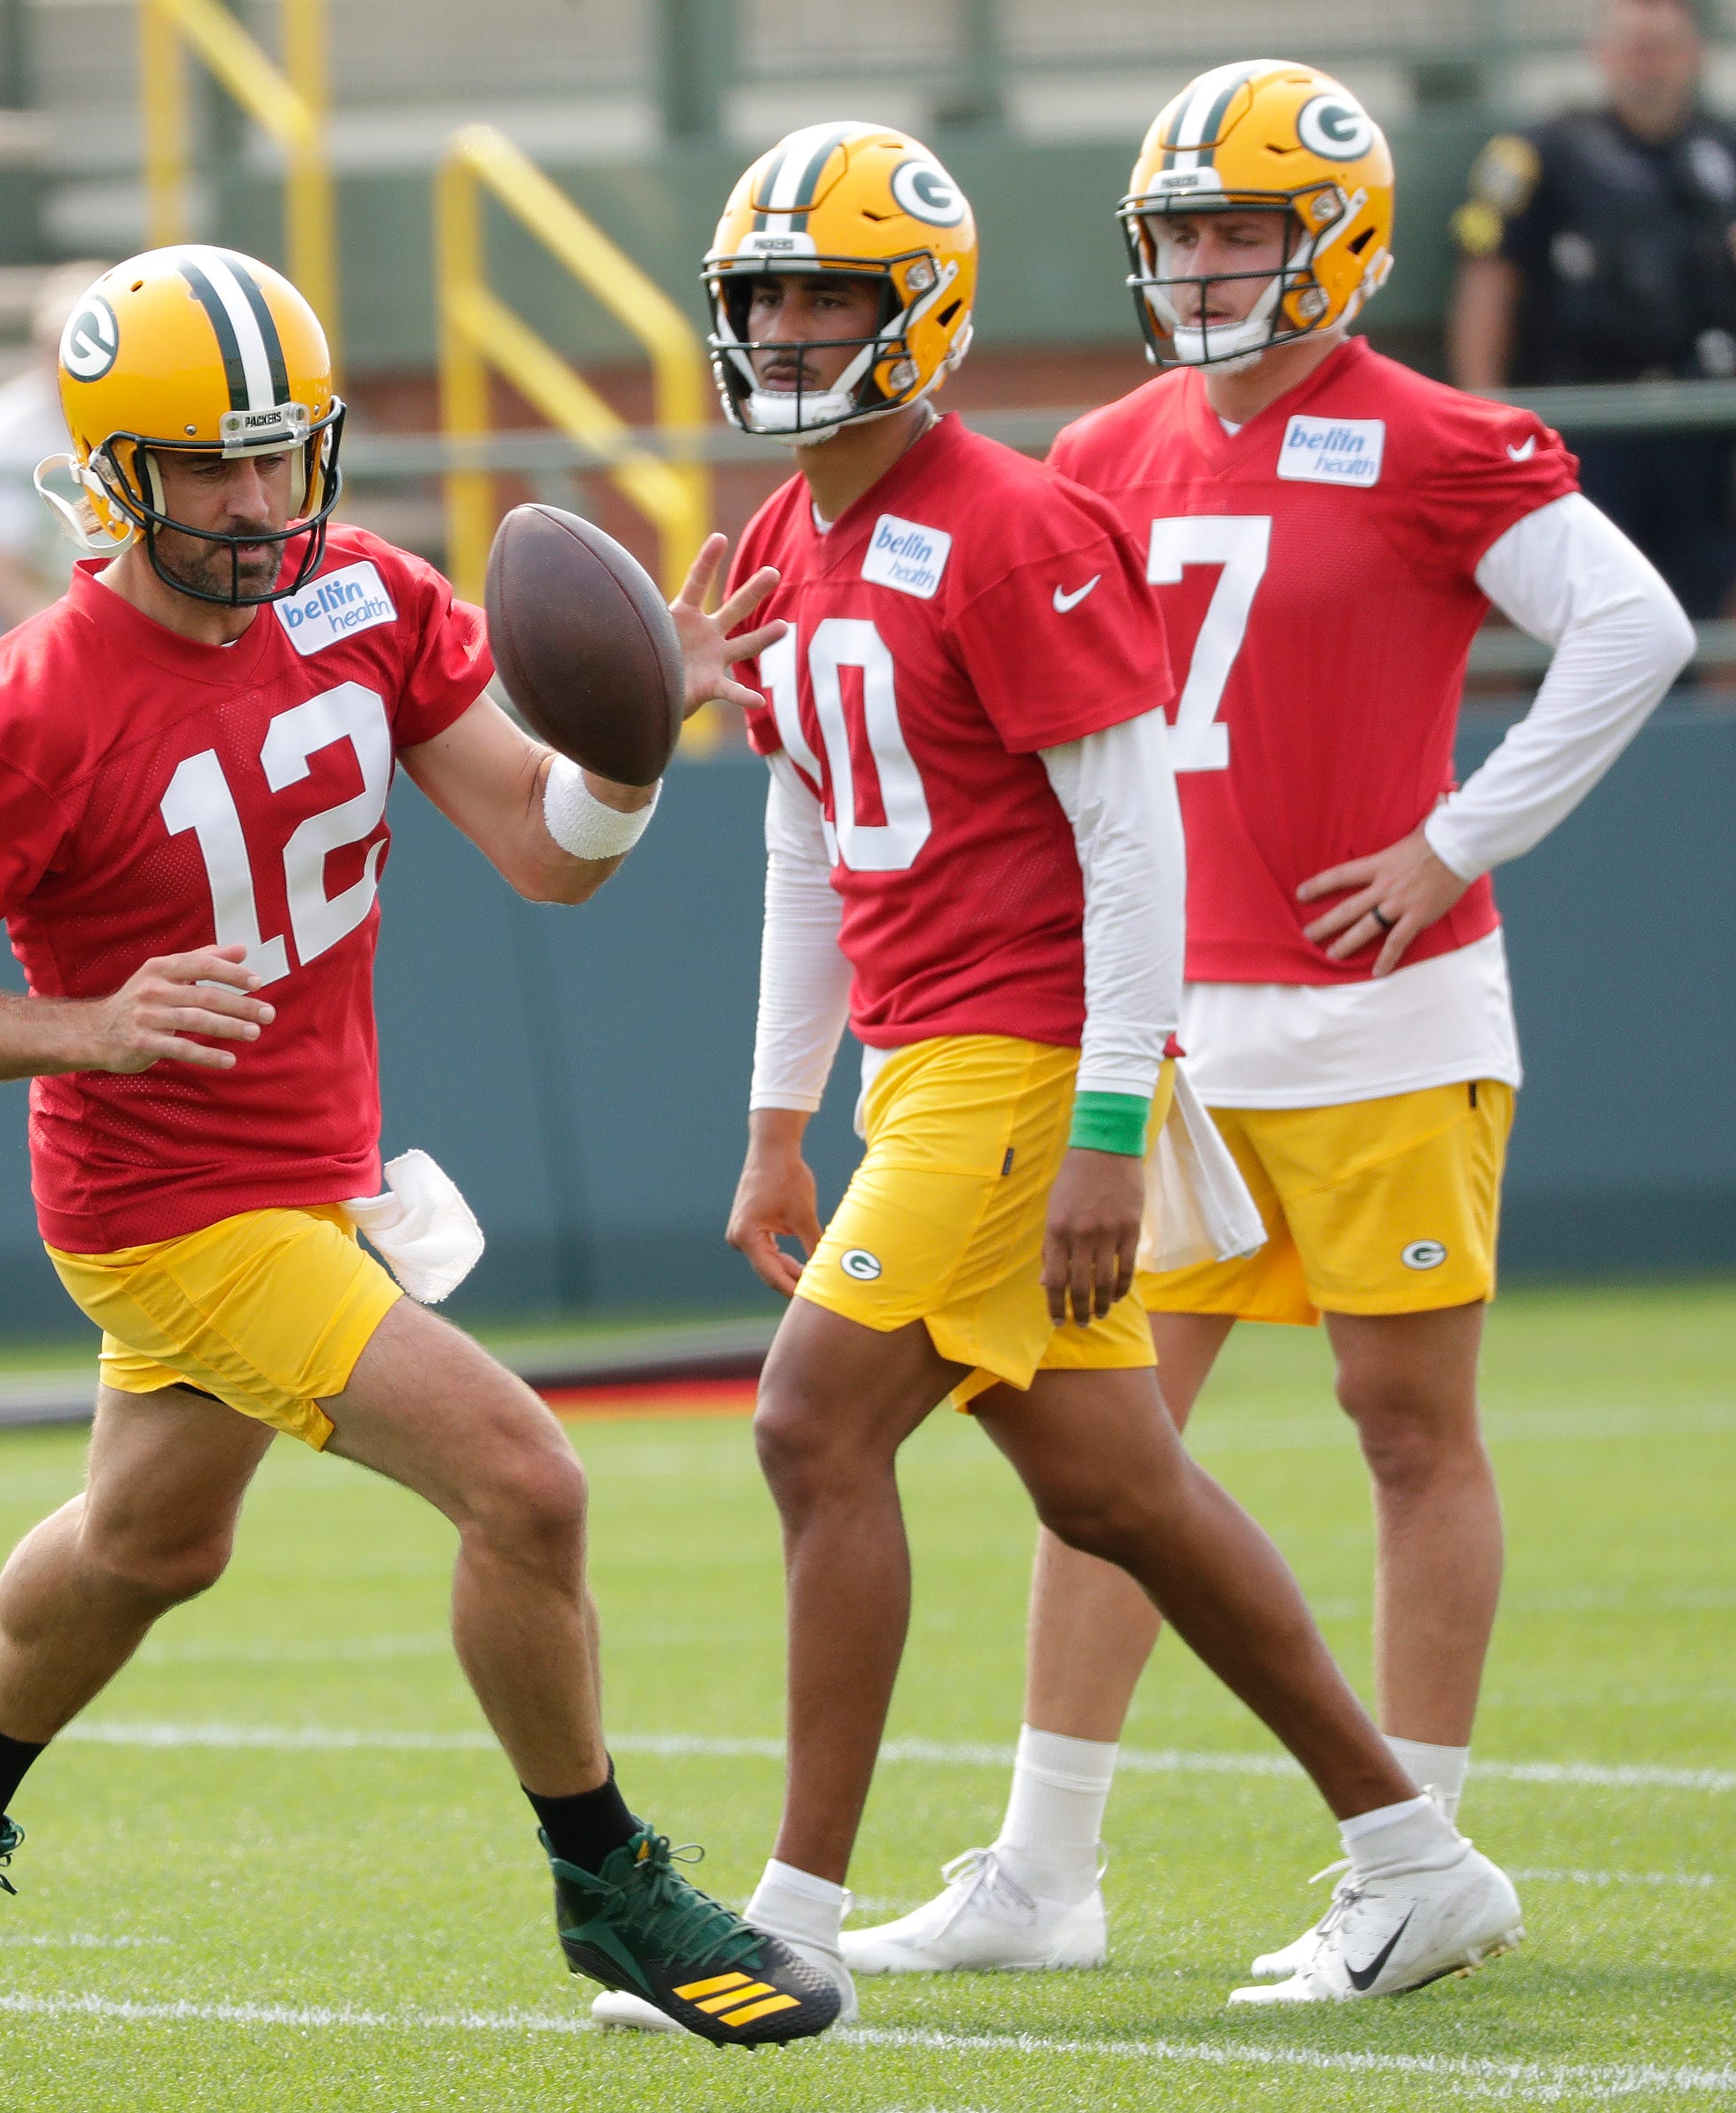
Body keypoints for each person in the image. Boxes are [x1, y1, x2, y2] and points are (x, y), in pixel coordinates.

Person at [0, 241, 841, 2108]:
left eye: (282, 454)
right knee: (526, 1481)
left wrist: (630, 740)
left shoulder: (362, 598)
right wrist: (88, 1022)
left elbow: (550, 859)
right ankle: (607, 1884)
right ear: (116, 472)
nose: (259, 498)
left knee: (148, 1545)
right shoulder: (25, 703)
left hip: (314, 1172)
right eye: (210, 466)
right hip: (163, 1203)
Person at [592, 121, 1526, 2036]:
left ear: (916, 311)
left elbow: (1134, 840)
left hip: (1019, 1062)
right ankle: (1414, 1859)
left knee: (807, 1429)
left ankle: (787, 1924)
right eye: (761, 291)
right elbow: (801, 840)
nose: (782, 326)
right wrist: (776, 1119)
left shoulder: (1008, 520)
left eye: (826, 291)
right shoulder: (788, 533)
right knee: (1125, 1493)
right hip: (922, 1063)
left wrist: (1112, 1117)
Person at [843, 63, 1691, 1990]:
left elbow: (1628, 628)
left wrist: (1450, 839)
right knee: (1102, 1441)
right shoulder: (1108, 451)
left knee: (1405, 1429)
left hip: (1383, 1012)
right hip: (1166, 1028)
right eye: (1184, 238)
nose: (1210, 269)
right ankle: (1044, 1869)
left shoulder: (1437, 438)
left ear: (1340, 240)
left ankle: (1414, 1863)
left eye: (1242, 232)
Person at [1448, 0, 1736, 615]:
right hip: (1581, 417)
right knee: (1581, 602)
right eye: (1634, 47)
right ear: (1600, 55)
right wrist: (1486, 405)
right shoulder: (1541, 152)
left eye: (1663, 48)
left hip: (1705, 420)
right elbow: (1489, 272)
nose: (1648, 65)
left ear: (1696, 57)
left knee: (1703, 592)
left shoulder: (1724, 150)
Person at [0, 262, 107, 636]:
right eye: (60, 344)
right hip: (31, 636)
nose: (71, 360)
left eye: (89, 344)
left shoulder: (154, 422)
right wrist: (71, 641)